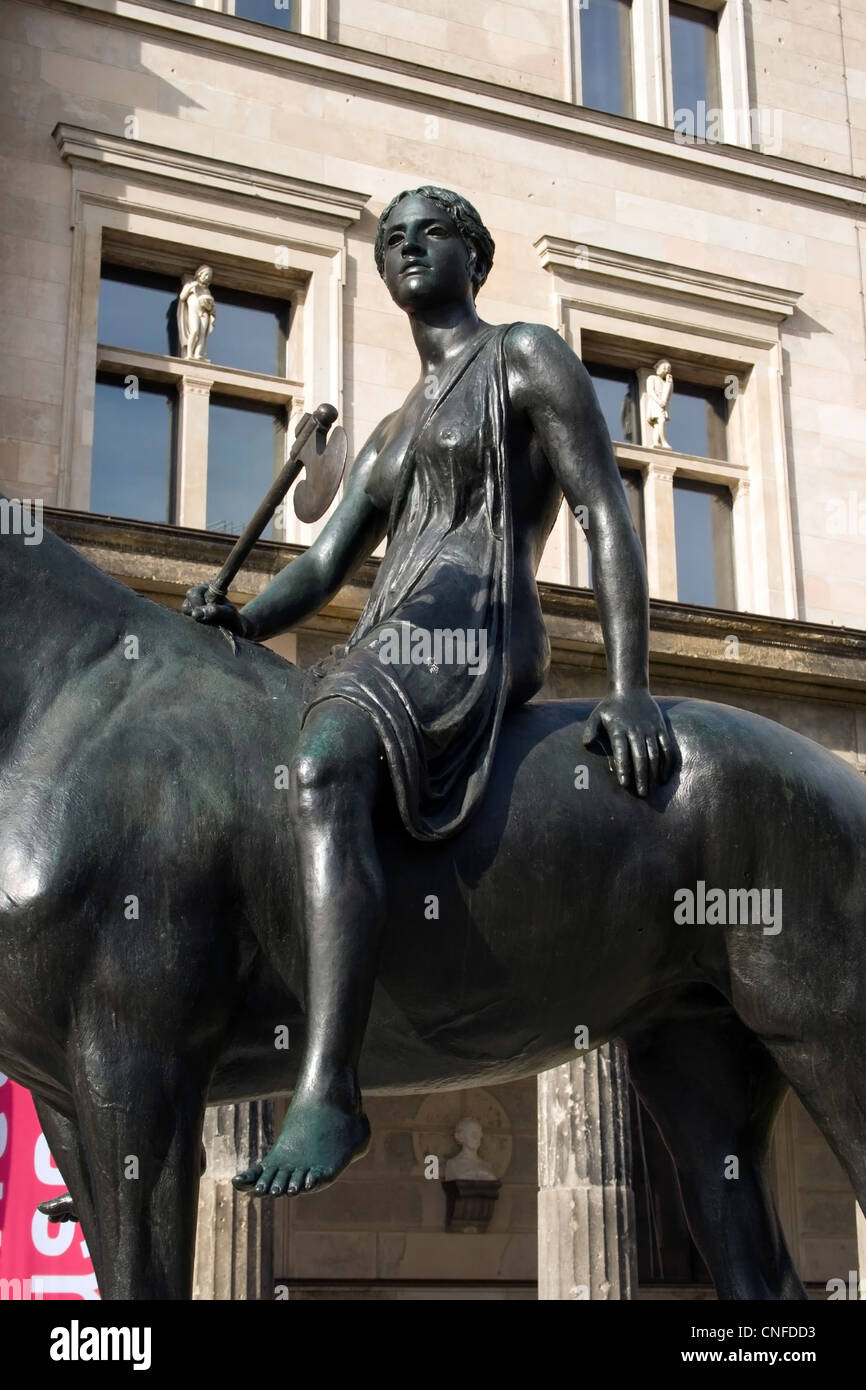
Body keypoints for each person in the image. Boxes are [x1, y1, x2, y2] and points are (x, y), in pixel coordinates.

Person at [183, 186, 673, 1197]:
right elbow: (321, 572)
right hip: (384, 643)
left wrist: (628, 685)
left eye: (429, 233)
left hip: (478, 630)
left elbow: (603, 515)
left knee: (322, 762)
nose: (407, 249)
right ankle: (184, 1078)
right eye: (390, 240)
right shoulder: (389, 434)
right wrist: (240, 619)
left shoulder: (526, 355)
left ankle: (328, 1089)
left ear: (474, 256)